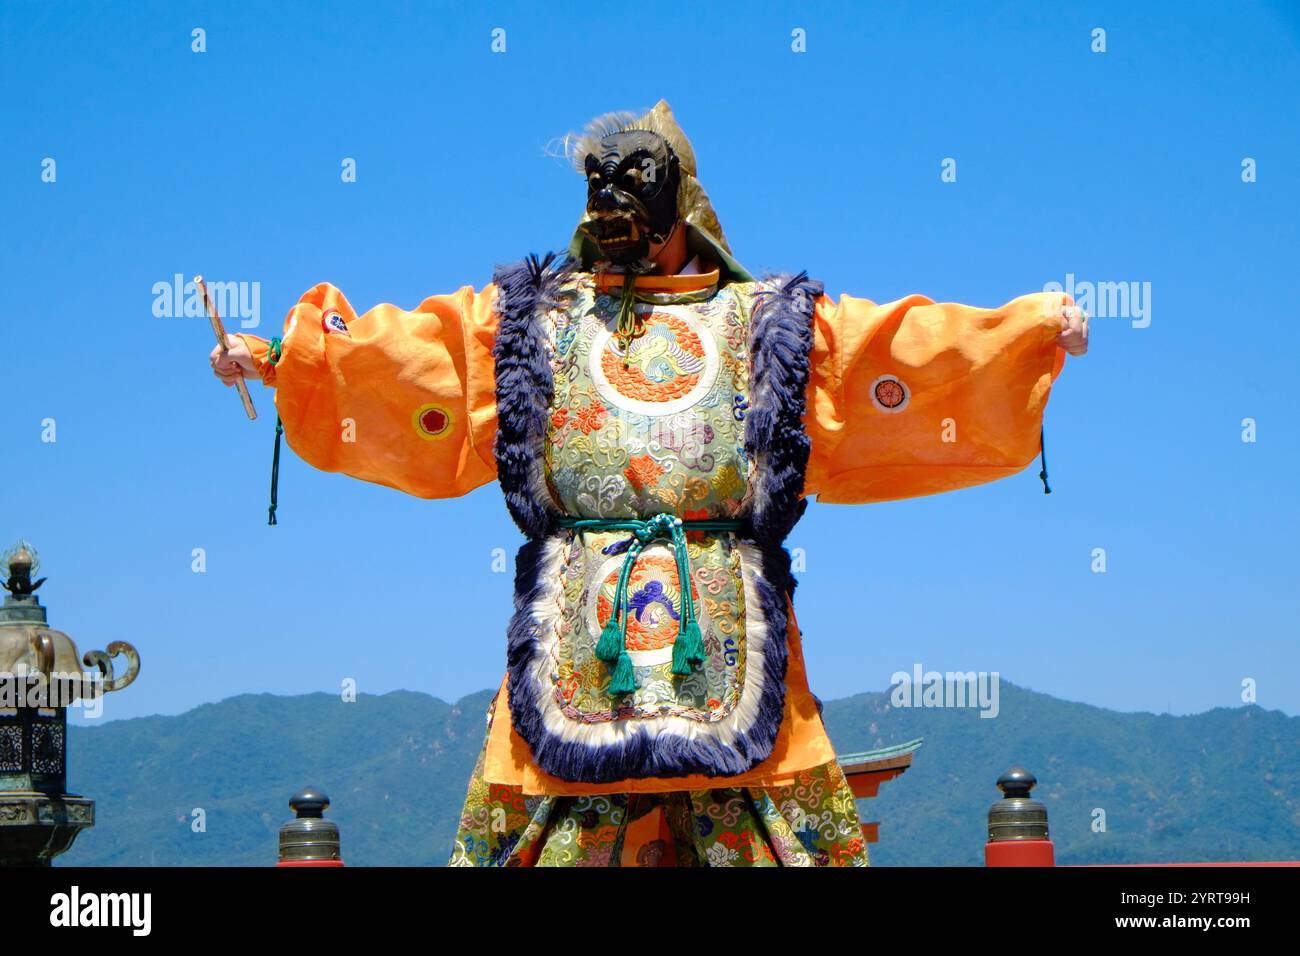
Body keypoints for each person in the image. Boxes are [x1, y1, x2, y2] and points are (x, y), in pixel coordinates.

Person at [212, 101, 1087, 867]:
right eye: (599, 181)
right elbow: (410, 363)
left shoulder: (770, 326)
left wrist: (1030, 332)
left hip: (730, 621)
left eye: (636, 178)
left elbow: (896, 354)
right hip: (576, 630)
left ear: (683, 201)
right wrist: (280, 358)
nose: (612, 199)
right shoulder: (530, 325)